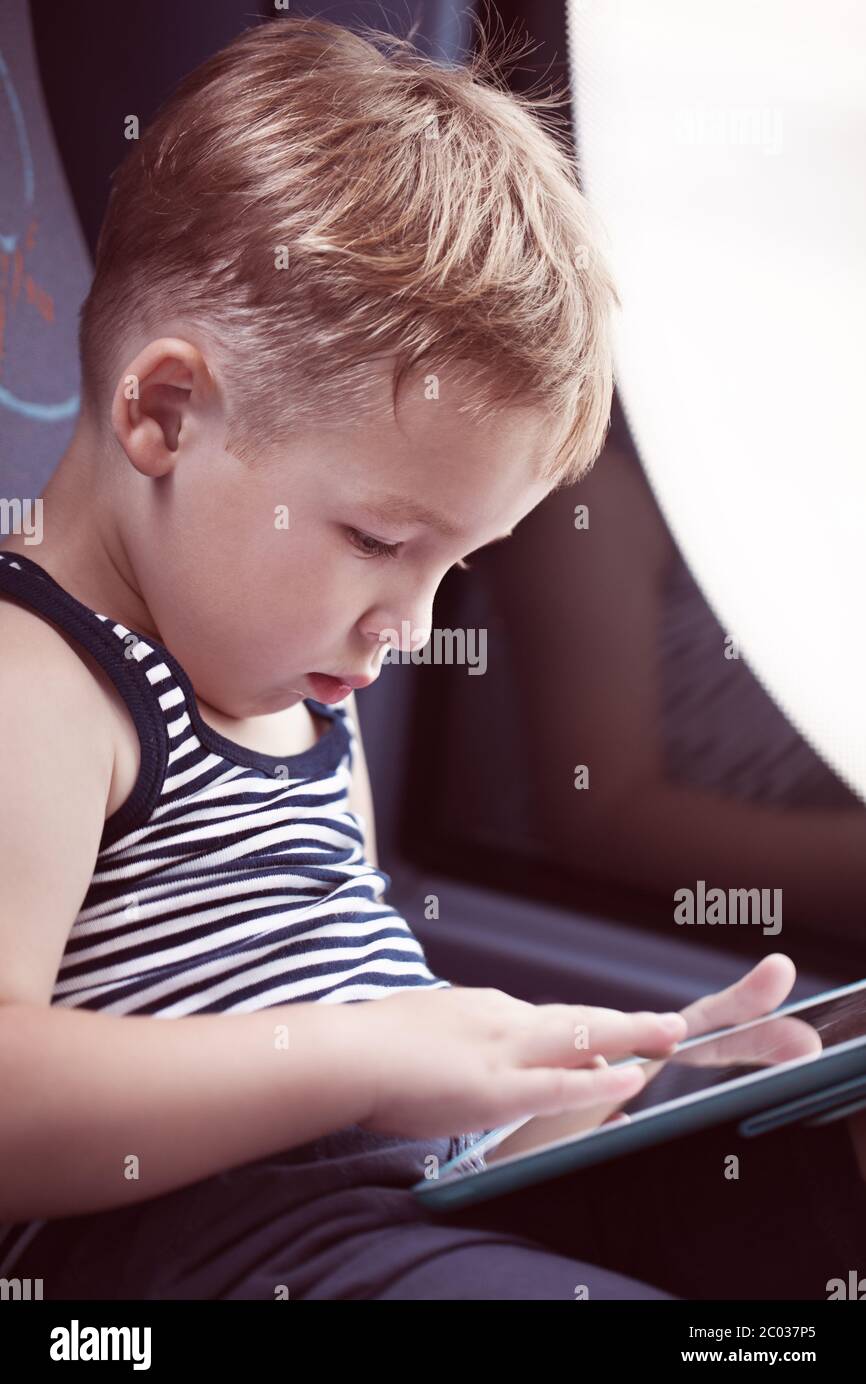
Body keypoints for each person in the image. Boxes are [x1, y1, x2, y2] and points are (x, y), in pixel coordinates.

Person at [0, 15, 863, 1301]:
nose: (410, 622)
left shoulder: (300, 704)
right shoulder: (43, 684)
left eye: (451, 564)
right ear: (166, 412)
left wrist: (606, 1092)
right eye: (375, 539)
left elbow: (385, 1130)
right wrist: (362, 1053)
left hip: (397, 1225)